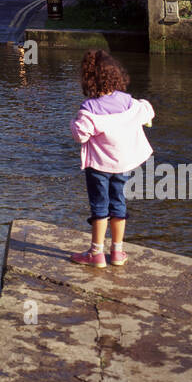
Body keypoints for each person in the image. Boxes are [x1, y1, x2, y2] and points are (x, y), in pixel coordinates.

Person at [69, 50, 155, 268]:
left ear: (88, 79)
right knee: (119, 204)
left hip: (98, 167)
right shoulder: (128, 102)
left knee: (99, 207)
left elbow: (80, 135)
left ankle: (96, 254)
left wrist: (72, 123)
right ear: (115, 75)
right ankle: (117, 252)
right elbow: (147, 111)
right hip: (123, 165)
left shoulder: (89, 108)